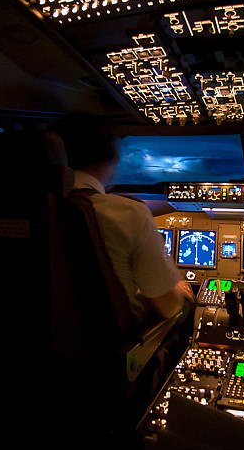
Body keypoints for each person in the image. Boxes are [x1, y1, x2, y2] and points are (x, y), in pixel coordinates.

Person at [54, 113, 194, 323]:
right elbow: (168, 306)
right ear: (109, 161)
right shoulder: (129, 213)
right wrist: (175, 288)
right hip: (110, 346)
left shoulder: (24, 210)